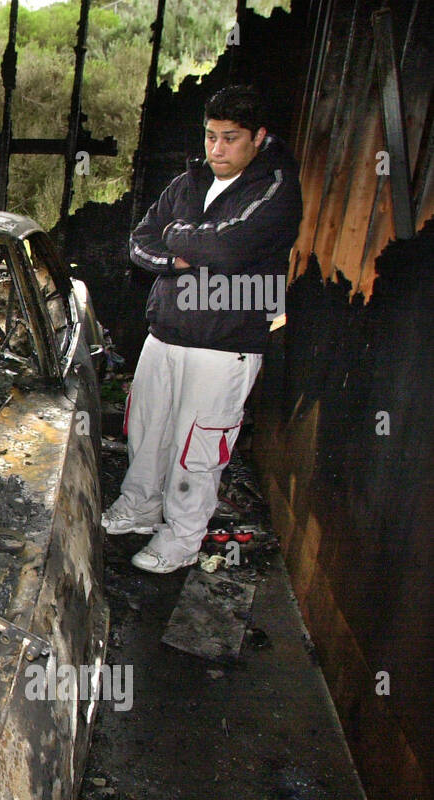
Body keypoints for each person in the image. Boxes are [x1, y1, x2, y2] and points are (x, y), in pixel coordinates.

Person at [104, 85, 303, 573]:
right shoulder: (188, 182)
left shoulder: (275, 188)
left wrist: (177, 237)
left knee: (199, 448)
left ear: (258, 137)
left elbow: (232, 249)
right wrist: (178, 255)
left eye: (230, 139)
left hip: (225, 343)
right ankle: (139, 507)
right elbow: (140, 242)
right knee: (146, 431)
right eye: (210, 136)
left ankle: (182, 538)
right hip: (166, 333)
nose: (216, 149)